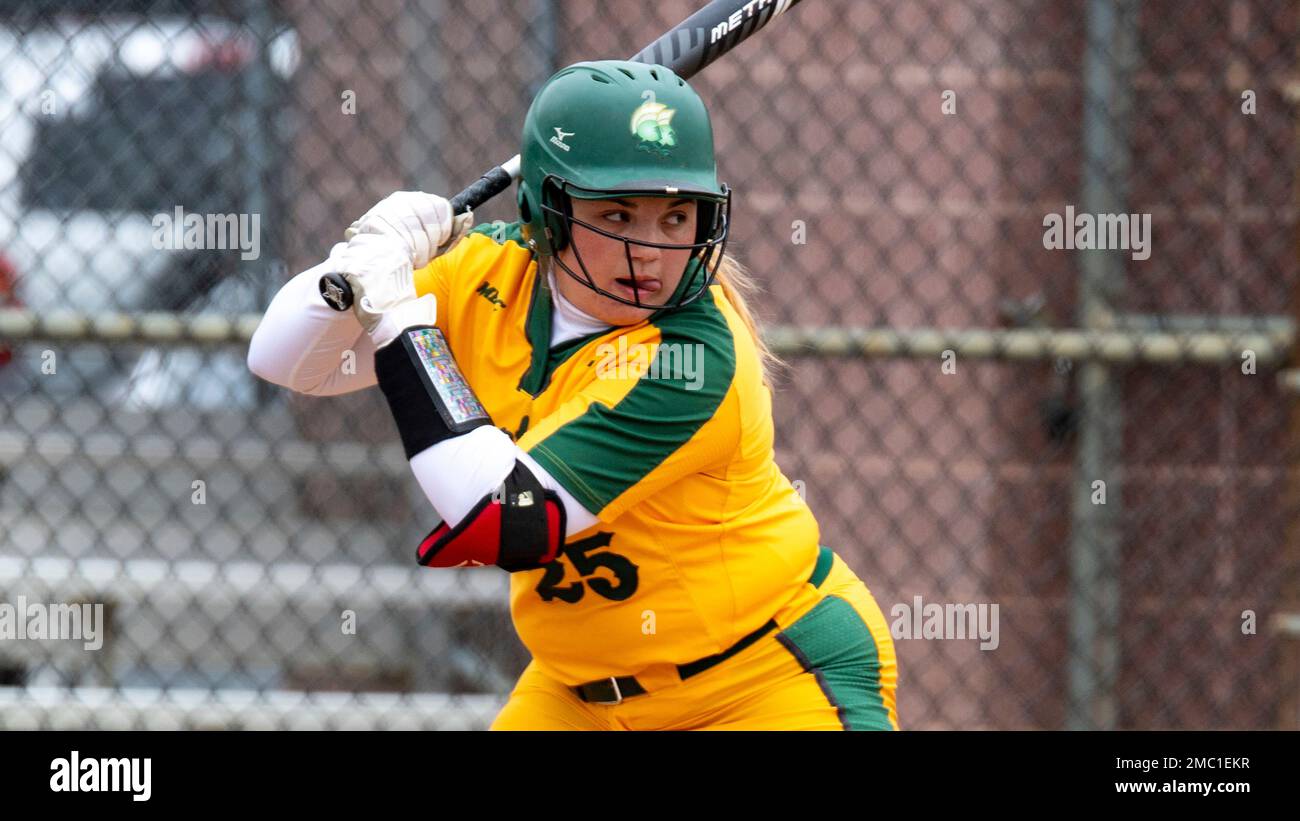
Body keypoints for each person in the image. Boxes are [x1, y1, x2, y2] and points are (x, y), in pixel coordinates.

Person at [248, 59, 899, 730]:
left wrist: (397, 323)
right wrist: (350, 268)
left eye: (676, 216)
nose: (650, 251)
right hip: (579, 694)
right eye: (618, 213)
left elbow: (506, 518)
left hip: (765, 678)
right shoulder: (489, 273)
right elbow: (285, 361)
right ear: (546, 213)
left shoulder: (691, 358)